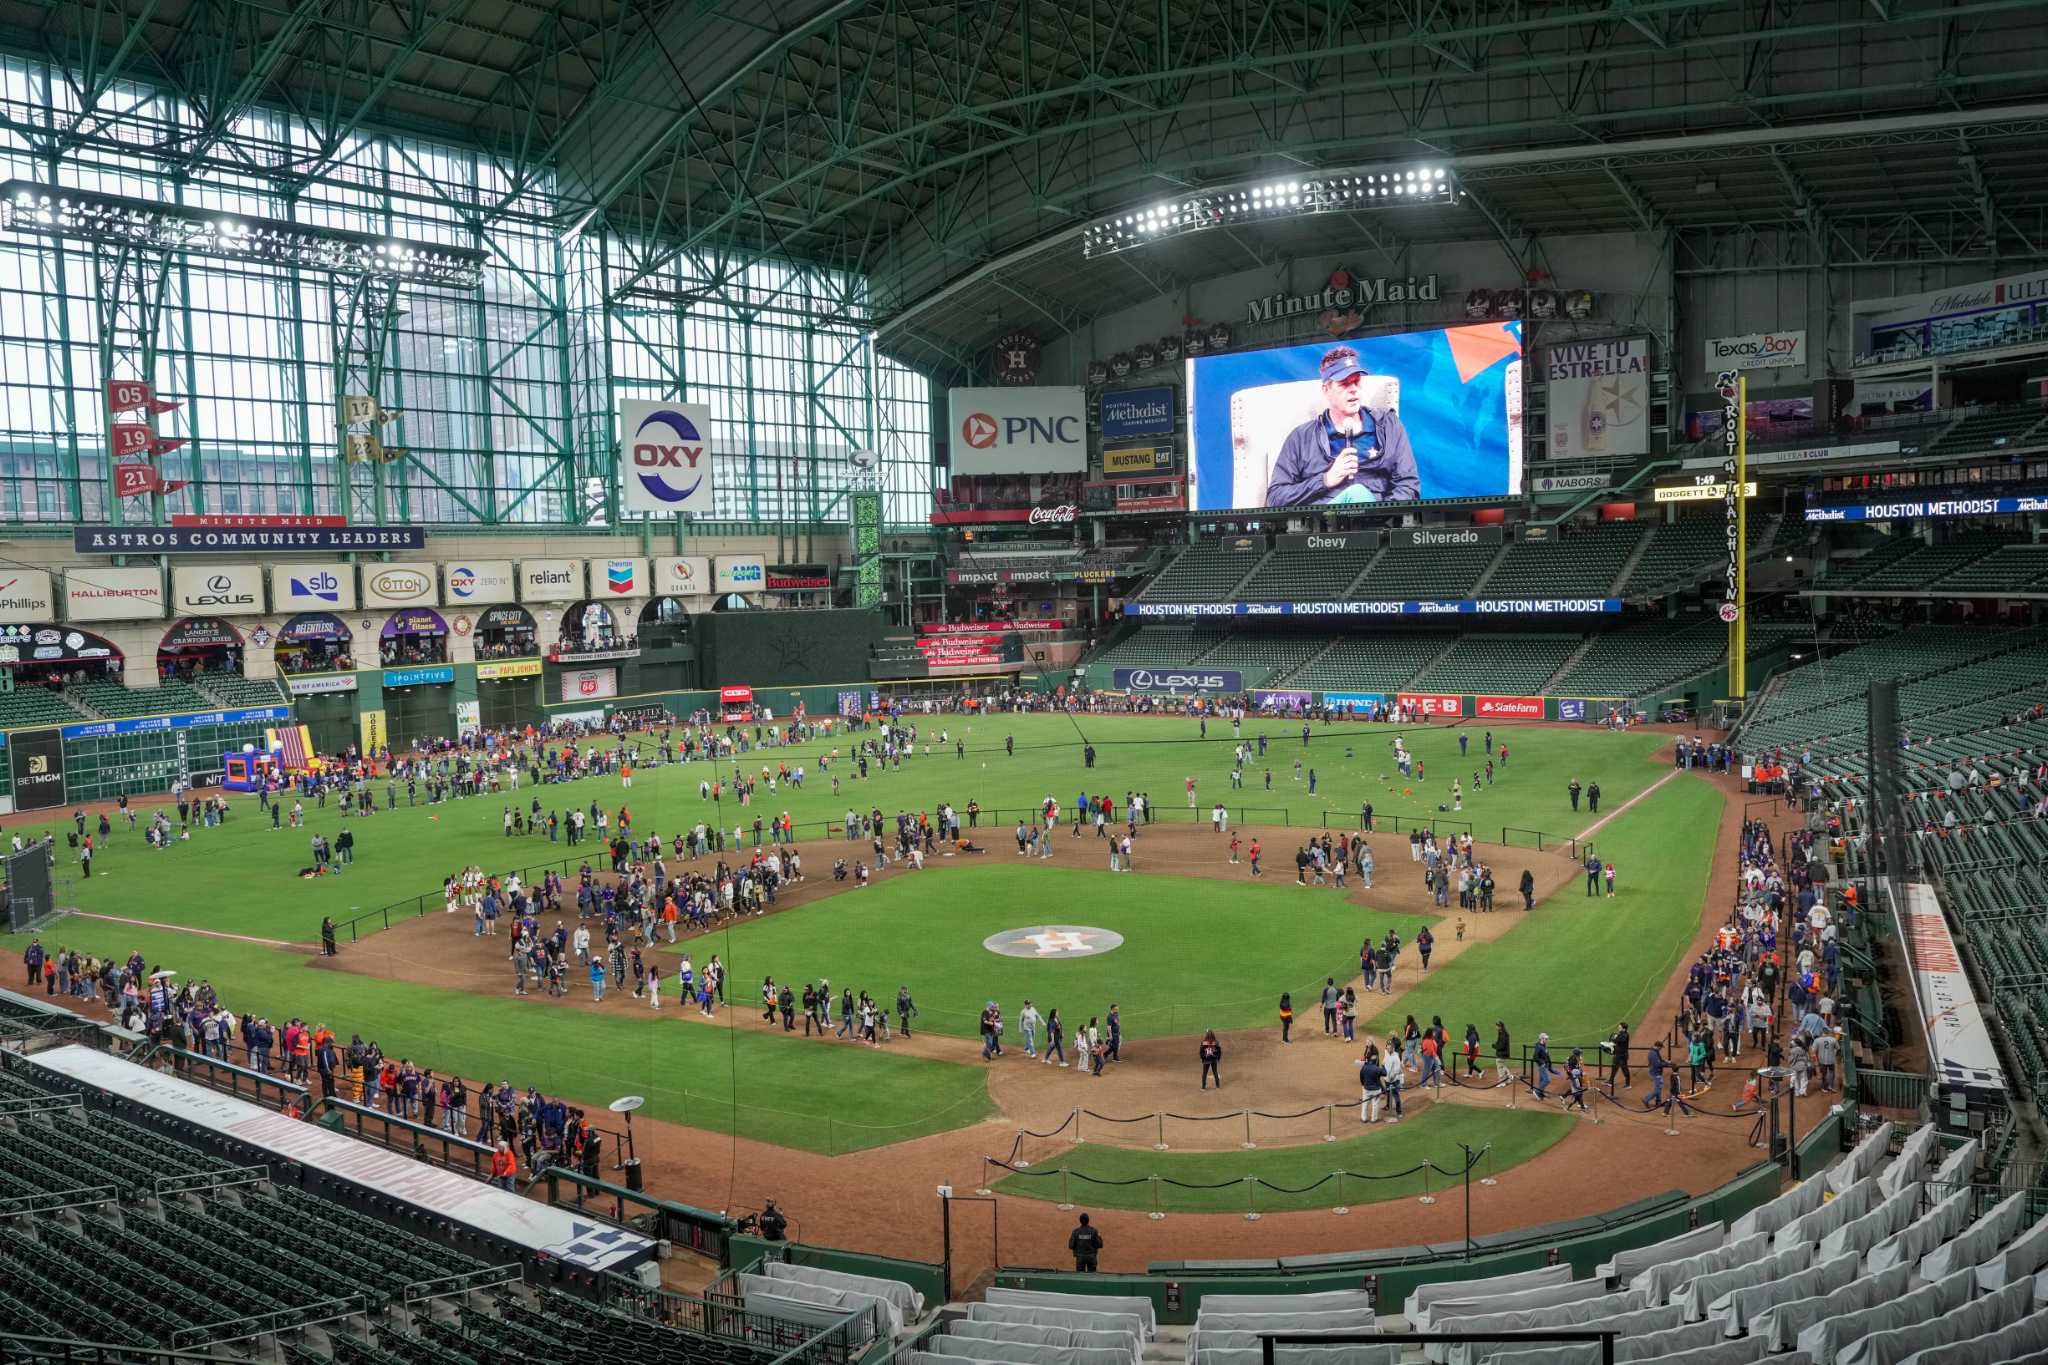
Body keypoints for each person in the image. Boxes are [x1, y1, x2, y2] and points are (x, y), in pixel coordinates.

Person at [1263, 346, 1420, 506]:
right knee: (1355, 494)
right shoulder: (1302, 437)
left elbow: (1408, 485)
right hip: (1324, 523)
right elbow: (1276, 498)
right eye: (1344, 384)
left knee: (1358, 494)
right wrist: (1325, 480)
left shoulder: (1387, 425)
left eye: (1357, 382)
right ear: (1326, 390)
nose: (1353, 390)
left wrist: (1382, 515)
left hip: (1375, 520)